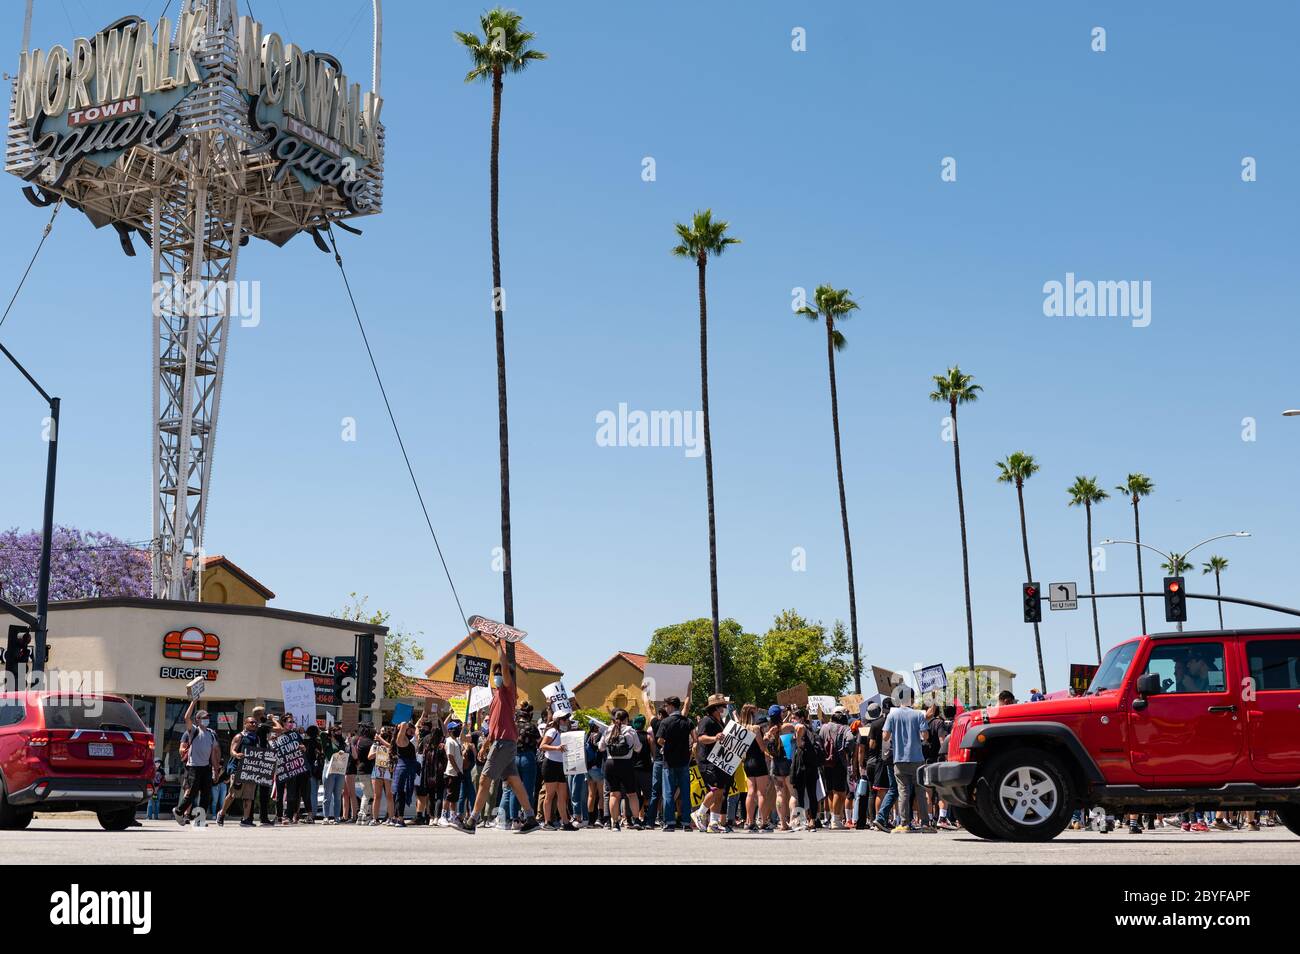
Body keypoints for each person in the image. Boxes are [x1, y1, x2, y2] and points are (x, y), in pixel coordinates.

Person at [458, 632, 540, 834]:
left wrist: (497, 644)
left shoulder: (508, 691)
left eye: (499, 673)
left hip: (504, 743)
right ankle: (531, 817)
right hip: (501, 742)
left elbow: (504, 666)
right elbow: (494, 726)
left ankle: (472, 821)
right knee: (514, 780)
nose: (496, 676)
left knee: (485, 780)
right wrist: (486, 745)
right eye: (494, 674)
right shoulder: (495, 698)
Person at [881, 691, 933, 833]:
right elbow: (925, 735)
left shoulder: (892, 715)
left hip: (899, 758)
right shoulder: (918, 715)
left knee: (903, 791)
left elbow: (885, 737)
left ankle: (904, 823)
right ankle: (925, 823)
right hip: (917, 758)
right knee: (920, 791)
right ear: (911, 699)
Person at [173, 699, 221, 825]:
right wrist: (193, 702)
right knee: (192, 793)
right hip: (193, 767)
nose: (207, 719)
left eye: (208, 717)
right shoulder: (194, 730)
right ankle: (179, 811)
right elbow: (186, 717)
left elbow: (213, 754)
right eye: (204, 717)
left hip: (206, 767)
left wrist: (216, 770)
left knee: (206, 795)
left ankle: (200, 820)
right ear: (198, 719)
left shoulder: (211, 734)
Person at [690, 694, 732, 834]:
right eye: (723, 706)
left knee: (720, 792)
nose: (726, 708)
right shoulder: (706, 721)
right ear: (716, 708)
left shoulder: (721, 722)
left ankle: (713, 822)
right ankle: (700, 812)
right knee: (715, 790)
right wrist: (715, 738)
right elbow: (701, 738)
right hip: (708, 761)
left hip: (719, 761)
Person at [599, 708, 643, 830]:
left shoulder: (608, 730)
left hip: (610, 763)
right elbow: (638, 748)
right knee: (632, 794)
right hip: (626, 764)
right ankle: (637, 820)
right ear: (626, 719)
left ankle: (615, 823)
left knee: (614, 794)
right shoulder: (630, 731)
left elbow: (601, 747)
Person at [655, 696, 694, 832]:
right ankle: (686, 823)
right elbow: (694, 739)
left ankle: (669, 822)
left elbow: (660, 740)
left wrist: (668, 744)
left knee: (668, 793)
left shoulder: (665, 722)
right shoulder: (687, 721)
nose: (665, 708)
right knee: (685, 792)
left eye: (666, 706)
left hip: (669, 761)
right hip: (684, 761)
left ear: (671, 706)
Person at [538, 709, 578, 830]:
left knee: (563, 795)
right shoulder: (552, 731)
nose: (566, 721)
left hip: (561, 765)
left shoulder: (565, 733)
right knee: (549, 795)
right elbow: (542, 746)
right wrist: (556, 748)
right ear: (557, 720)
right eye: (563, 719)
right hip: (550, 764)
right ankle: (547, 821)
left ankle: (565, 822)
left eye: (567, 719)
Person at [818, 706, 853, 830]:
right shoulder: (845, 728)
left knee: (831, 791)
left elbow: (819, 742)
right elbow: (851, 740)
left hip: (826, 763)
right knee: (840, 791)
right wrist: (845, 751)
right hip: (839, 762)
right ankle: (836, 820)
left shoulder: (824, 727)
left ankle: (833, 818)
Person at [739, 704, 772, 832]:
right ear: (752, 714)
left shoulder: (741, 728)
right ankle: (764, 822)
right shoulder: (755, 728)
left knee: (750, 792)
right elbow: (762, 747)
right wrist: (767, 739)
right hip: (758, 761)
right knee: (761, 793)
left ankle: (750, 821)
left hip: (747, 761)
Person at [765, 705, 794, 831]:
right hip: (787, 761)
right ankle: (793, 821)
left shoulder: (769, 731)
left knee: (779, 793)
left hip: (776, 763)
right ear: (780, 715)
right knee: (793, 793)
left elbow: (766, 743)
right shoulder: (786, 727)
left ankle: (782, 823)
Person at [389, 716, 421, 826]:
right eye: (410, 729)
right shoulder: (401, 739)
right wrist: (404, 719)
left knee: (398, 793)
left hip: (405, 769)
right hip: (403, 769)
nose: (413, 732)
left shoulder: (406, 738)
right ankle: (400, 819)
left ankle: (396, 817)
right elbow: (403, 725)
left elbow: (415, 728)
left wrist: (422, 715)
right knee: (400, 793)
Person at [440, 718, 465, 826]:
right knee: (448, 795)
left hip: (457, 772)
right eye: (456, 728)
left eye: (458, 728)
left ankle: (453, 816)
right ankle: (443, 816)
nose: (458, 730)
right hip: (451, 772)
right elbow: (450, 757)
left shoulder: (456, 741)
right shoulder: (449, 741)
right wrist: (458, 770)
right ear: (450, 730)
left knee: (454, 797)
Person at [353, 724, 376, 824]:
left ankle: (362, 816)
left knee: (366, 794)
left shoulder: (359, 741)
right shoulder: (370, 743)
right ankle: (363, 815)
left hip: (360, 770)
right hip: (368, 771)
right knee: (369, 794)